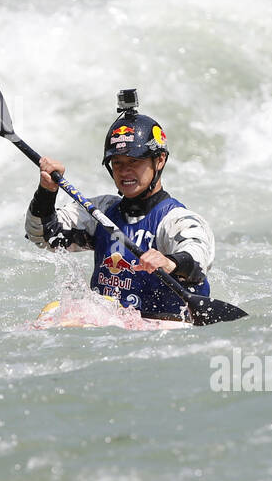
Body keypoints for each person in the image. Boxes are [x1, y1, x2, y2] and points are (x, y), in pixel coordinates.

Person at [24, 91, 214, 320]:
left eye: (134, 162)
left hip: (162, 329)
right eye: (117, 163)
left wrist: (169, 261)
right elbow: (44, 235)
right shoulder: (103, 211)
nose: (124, 172)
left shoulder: (176, 219)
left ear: (160, 160)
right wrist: (47, 190)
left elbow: (198, 258)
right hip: (111, 329)